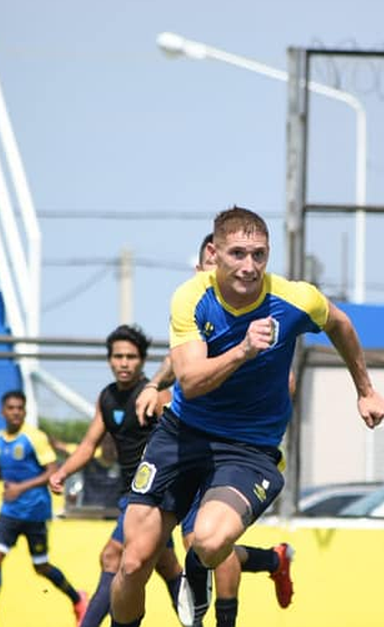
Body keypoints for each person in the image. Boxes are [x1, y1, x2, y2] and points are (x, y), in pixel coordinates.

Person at [110, 206, 384, 627]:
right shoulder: (191, 297)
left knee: (208, 540)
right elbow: (190, 379)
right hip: (183, 434)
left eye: (259, 254)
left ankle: (199, 569)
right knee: (132, 562)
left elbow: (341, 324)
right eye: (237, 253)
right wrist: (243, 350)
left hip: (249, 449)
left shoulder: (295, 299)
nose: (249, 265)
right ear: (214, 253)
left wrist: (365, 390)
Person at [134, 233, 296, 627]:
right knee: (174, 549)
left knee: (205, 546)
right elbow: (183, 365)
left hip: (243, 452)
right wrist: (156, 386)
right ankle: (273, 558)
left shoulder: (257, 313)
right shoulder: (193, 307)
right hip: (189, 446)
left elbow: (284, 380)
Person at [48, 324, 185, 627]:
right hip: (129, 495)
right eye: (118, 356)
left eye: (131, 357)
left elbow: (179, 443)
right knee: (167, 566)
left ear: (142, 361)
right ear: (110, 359)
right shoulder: (107, 398)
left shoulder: (156, 396)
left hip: (153, 497)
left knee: (112, 556)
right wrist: (63, 471)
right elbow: (88, 445)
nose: (124, 363)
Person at [0, 390, 88, 627]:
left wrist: (21, 488)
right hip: (9, 512)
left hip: (35, 512)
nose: (16, 412)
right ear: (3, 411)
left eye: (20, 408)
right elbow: (1, 470)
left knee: (41, 566)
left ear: (24, 411)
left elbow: (52, 470)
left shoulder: (35, 437)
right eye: (11, 408)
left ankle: (78, 599)